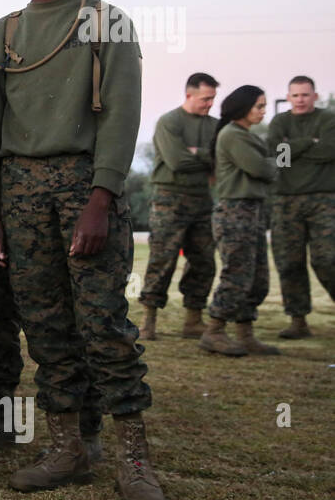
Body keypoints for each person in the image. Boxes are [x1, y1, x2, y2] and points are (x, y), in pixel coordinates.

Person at [0, 0, 168, 500]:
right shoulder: (2, 33)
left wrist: (102, 199)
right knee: (46, 325)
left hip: (84, 185)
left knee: (102, 324)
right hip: (19, 190)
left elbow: (122, 115)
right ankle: (66, 448)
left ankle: (133, 458)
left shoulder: (105, 21)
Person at [139, 73, 220, 339]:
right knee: (163, 258)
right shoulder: (169, 122)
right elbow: (177, 161)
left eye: (212, 99)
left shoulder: (217, 126)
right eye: (205, 98)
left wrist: (198, 153)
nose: (209, 104)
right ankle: (148, 321)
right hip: (169, 198)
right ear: (189, 95)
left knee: (204, 260)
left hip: (202, 199)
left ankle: (193, 320)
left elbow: (221, 160)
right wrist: (202, 157)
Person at [200, 86, 279, 356]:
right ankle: (214, 331)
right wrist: (273, 163)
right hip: (236, 212)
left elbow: (266, 165)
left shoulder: (243, 135)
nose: (263, 111)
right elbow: (260, 168)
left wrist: (270, 163)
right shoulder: (233, 135)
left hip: (251, 211)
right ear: (243, 107)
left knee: (257, 276)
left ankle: (245, 334)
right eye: (259, 106)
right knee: (237, 274)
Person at [268, 76, 335, 338]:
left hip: (325, 199)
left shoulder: (328, 119)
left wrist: (293, 147)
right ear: (288, 97)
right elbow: (280, 157)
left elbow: (330, 152)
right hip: (286, 199)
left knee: (327, 259)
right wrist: (310, 142)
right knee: (289, 261)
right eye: (295, 95)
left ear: (315, 96)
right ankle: (298, 320)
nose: (300, 100)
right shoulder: (280, 122)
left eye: (305, 95)